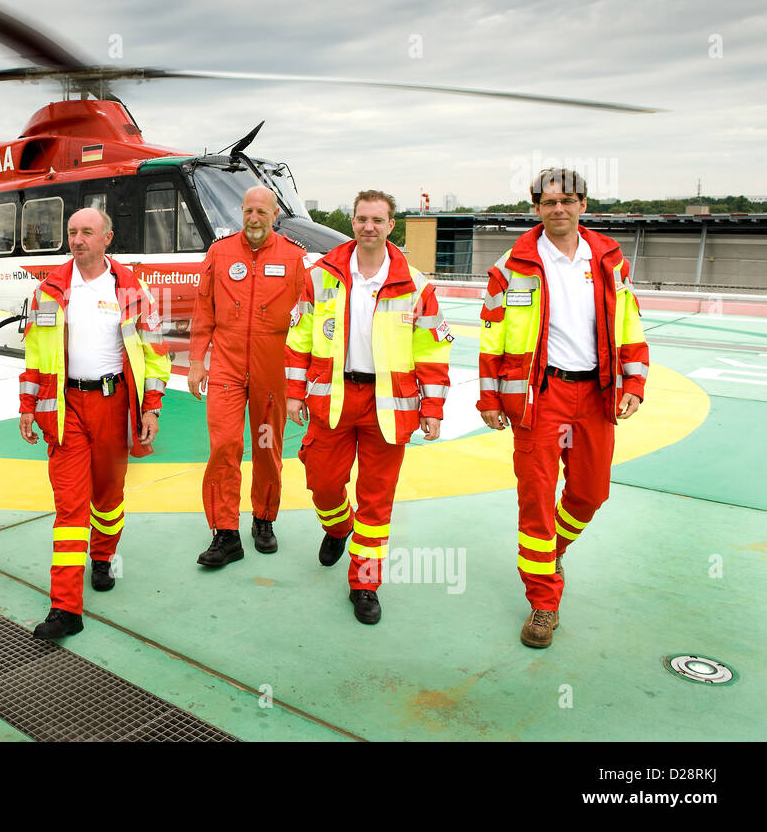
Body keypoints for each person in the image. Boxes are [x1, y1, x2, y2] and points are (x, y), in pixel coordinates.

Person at [477, 168, 648, 648]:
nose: (558, 209)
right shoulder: (510, 265)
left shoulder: (609, 259)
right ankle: (544, 602)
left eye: (567, 201)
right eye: (549, 202)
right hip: (540, 396)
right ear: (536, 209)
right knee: (536, 498)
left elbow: (629, 323)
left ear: (583, 205)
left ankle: (553, 550)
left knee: (590, 494)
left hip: (595, 394)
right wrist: (490, 396)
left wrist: (634, 379)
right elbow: (492, 337)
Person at [285, 190, 451, 624]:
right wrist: (292, 391)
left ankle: (365, 584)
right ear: (352, 222)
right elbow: (300, 337)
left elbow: (432, 353)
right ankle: (338, 526)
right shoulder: (322, 275)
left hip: (388, 405)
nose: (368, 227)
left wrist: (432, 408)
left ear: (390, 225)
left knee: (376, 501)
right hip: (332, 397)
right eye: (361, 219)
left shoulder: (416, 285)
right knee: (322, 481)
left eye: (377, 220)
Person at [19, 207, 171, 639]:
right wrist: (28, 406)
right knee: (69, 507)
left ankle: (103, 556)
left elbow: (156, 354)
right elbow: (34, 357)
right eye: (72, 232)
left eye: (88, 232)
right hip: (65, 407)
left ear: (107, 238)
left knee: (108, 496)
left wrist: (152, 407)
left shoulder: (132, 290)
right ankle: (65, 607)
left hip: (113, 404)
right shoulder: (47, 292)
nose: (78, 239)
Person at [188, 185, 307, 565]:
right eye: (248, 211)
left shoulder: (294, 258)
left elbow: (305, 323)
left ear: (275, 215)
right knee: (224, 446)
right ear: (241, 212)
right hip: (226, 367)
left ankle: (264, 518)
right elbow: (203, 311)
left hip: (272, 374)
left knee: (267, 447)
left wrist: (300, 378)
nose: (254, 218)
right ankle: (225, 534)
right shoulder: (219, 253)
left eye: (262, 212)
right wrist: (195, 361)